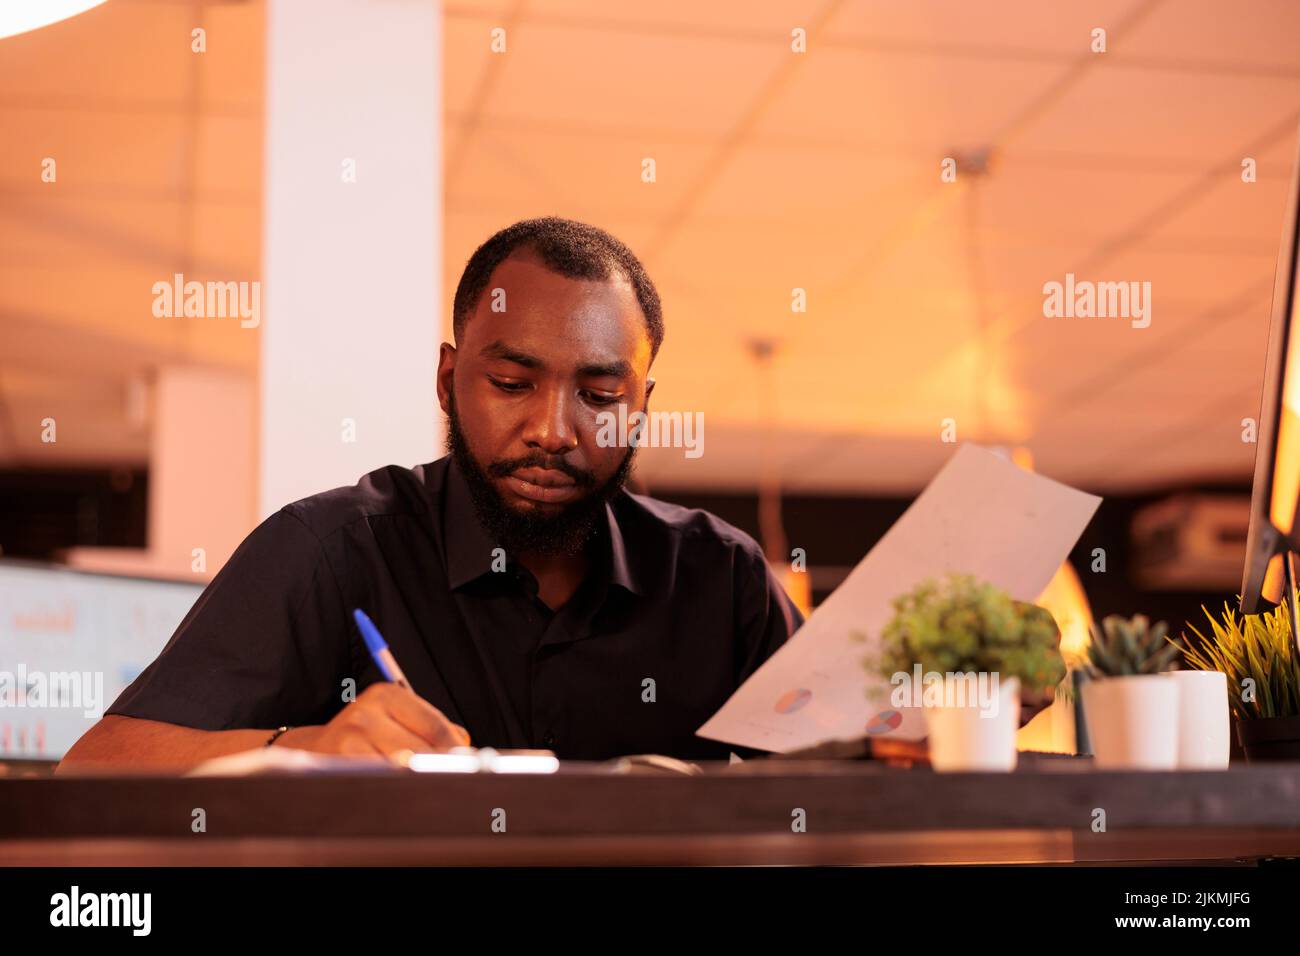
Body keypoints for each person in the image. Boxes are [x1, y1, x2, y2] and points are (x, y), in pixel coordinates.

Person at [60, 217, 804, 770]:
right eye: (512, 384)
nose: (552, 429)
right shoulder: (333, 552)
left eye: (601, 395)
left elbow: (837, 787)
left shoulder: (723, 580)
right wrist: (303, 748)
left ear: (640, 407)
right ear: (449, 381)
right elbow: (94, 766)